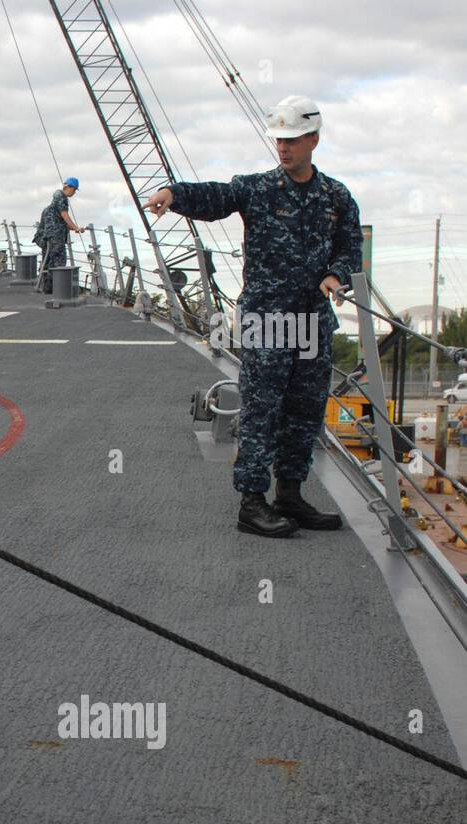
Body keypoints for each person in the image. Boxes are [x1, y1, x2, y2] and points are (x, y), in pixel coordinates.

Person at [144, 96, 362, 537]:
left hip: (313, 322)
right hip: (266, 321)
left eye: (293, 140)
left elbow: (350, 246)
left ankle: (291, 495)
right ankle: (252, 503)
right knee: (262, 410)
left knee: (305, 411)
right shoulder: (259, 188)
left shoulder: (336, 196)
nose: (283, 149)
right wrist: (174, 193)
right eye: (279, 141)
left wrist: (338, 275)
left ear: (313, 140)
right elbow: (217, 196)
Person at [34, 177, 84, 293]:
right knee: (59, 262)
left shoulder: (52, 205)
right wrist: (75, 227)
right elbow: (64, 215)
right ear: (68, 187)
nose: (74, 192)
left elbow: (60, 221)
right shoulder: (61, 197)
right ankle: (58, 291)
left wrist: (74, 228)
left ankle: (48, 289)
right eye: (74, 189)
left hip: (48, 237)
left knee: (48, 262)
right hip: (56, 238)